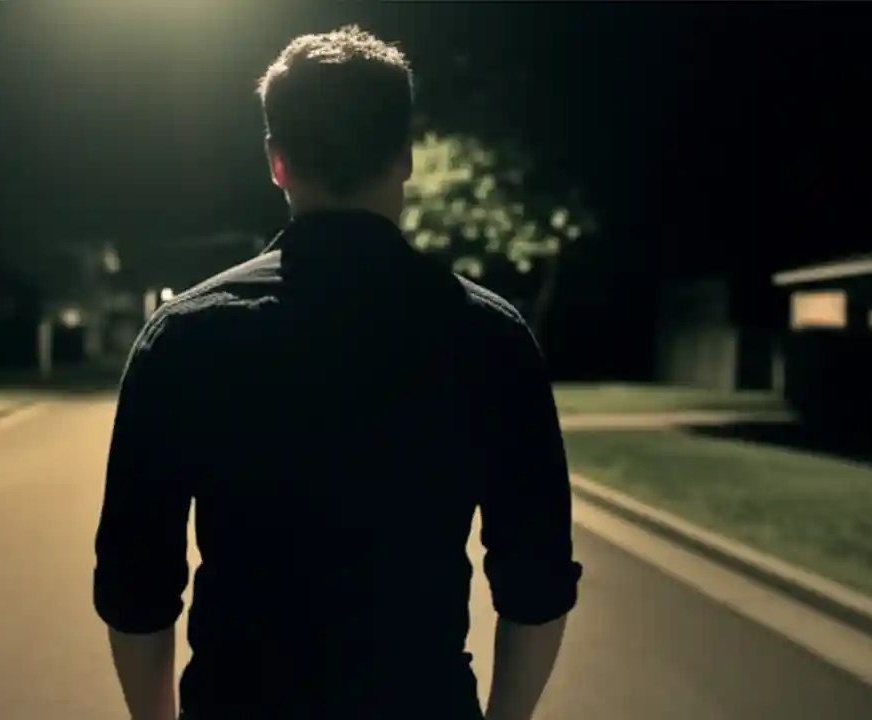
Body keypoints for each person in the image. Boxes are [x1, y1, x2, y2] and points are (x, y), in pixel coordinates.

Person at [93, 25, 582, 720]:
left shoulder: (185, 339)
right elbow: (536, 586)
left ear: (277, 162)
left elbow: (135, 592)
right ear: (406, 156)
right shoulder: (489, 339)